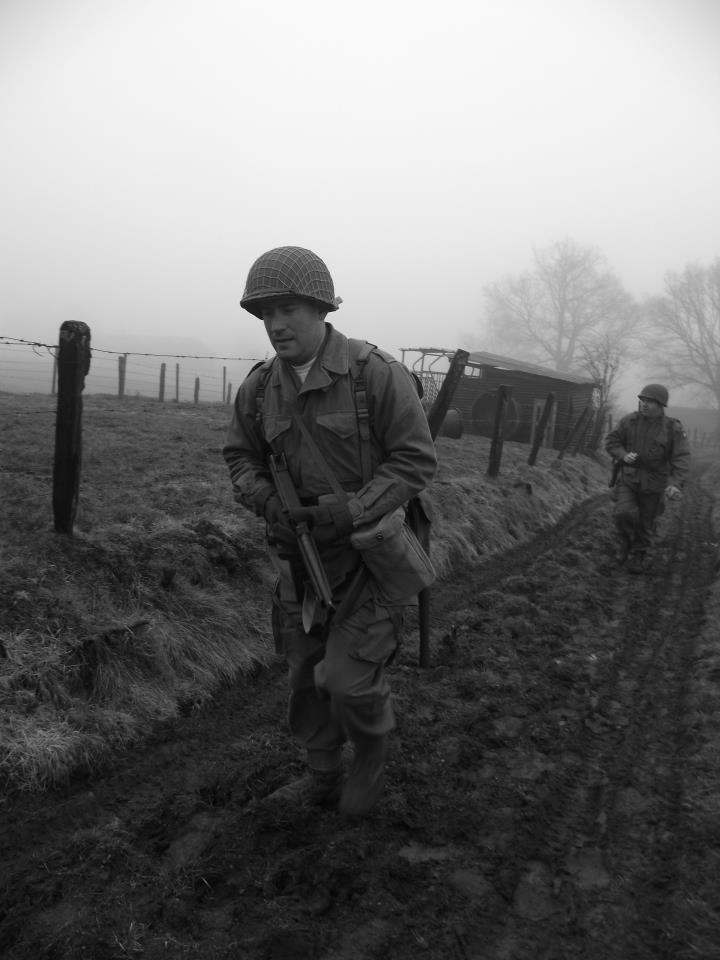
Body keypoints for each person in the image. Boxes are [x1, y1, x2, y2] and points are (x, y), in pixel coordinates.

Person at [223, 246, 437, 816]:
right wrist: (269, 503)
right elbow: (240, 457)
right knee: (304, 673)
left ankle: (369, 756)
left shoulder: (376, 374)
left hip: (369, 556)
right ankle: (321, 773)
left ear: (321, 309)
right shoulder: (258, 388)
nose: (276, 324)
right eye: (266, 312)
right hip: (298, 561)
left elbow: (415, 460)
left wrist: (349, 512)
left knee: (347, 680)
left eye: (288, 309)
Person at [604, 383, 690, 573]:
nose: (644, 404)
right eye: (642, 400)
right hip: (629, 478)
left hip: (654, 483)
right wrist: (623, 455)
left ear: (660, 405)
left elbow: (681, 458)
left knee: (646, 522)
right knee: (622, 513)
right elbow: (611, 441)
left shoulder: (672, 428)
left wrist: (675, 484)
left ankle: (640, 554)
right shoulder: (629, 421)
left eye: (650, 401)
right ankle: (625, 544)